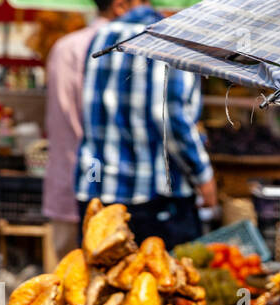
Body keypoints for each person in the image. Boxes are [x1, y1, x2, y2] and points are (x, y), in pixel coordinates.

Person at [75, 1, 217, 247]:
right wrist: (203, 176)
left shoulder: (100, 37)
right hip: (155, 200)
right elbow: (171, 118)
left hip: (98, 192)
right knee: (165, 281)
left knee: (104, 281)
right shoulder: (173, 39)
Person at [42, 0, 120, 259]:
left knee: (69, 278)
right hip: (111, 188)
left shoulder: (65, 47)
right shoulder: (120, 47)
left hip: (66, 182)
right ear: (119, 5)